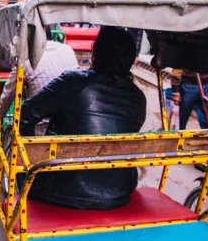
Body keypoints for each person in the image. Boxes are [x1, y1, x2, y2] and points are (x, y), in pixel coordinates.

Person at [20, 27, 147, 209]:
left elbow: (24, 117)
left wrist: (33, 158)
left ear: (96, 52)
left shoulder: (73, 82)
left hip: (59, 191)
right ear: (131, 60)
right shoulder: (138, 97)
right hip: (119, 192)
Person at [0, 31, 78, 117]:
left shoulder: (24, 60)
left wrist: (0, 115)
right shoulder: (67, 49)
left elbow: (8, 94)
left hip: (41, 126)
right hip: (73, 123)